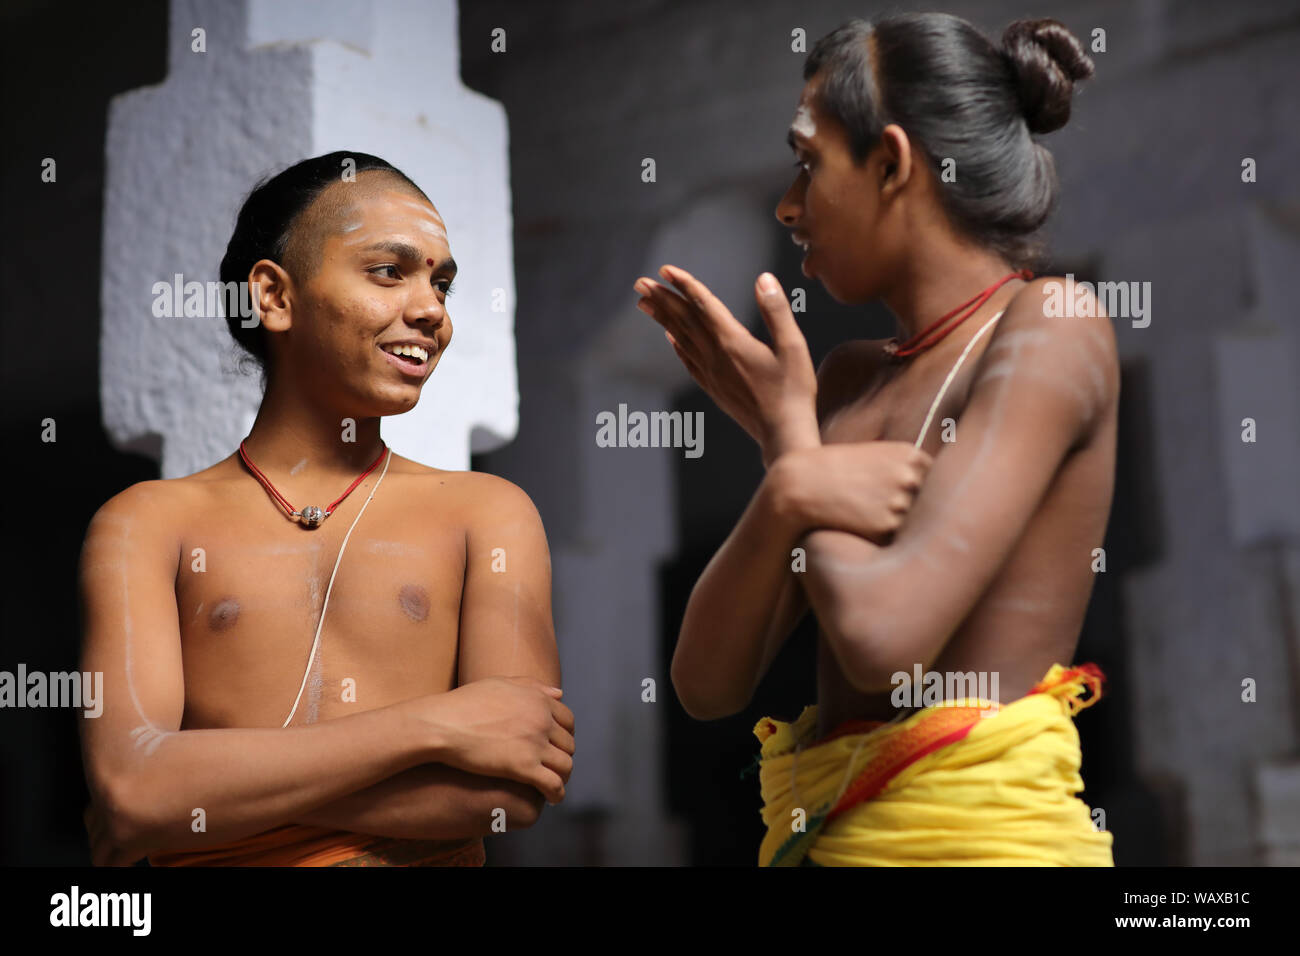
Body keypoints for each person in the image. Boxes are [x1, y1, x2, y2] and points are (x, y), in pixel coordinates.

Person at [636, 15, 1117, 866]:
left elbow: (887, 644)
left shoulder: (1054, 324)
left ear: (891, 164)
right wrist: (790, 476)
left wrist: (791, 445)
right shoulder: (853, 379)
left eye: (809, 162)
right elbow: (705, 685)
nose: (789, 204)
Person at [78, 152, 574, 866]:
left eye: (442, 283)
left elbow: (508, 792)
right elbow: (133, 793)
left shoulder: (487, 514)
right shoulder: (146, 523)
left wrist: (203, 790)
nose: (432, 309)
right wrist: (435, 726)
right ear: (274, 297)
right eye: (388, 271)